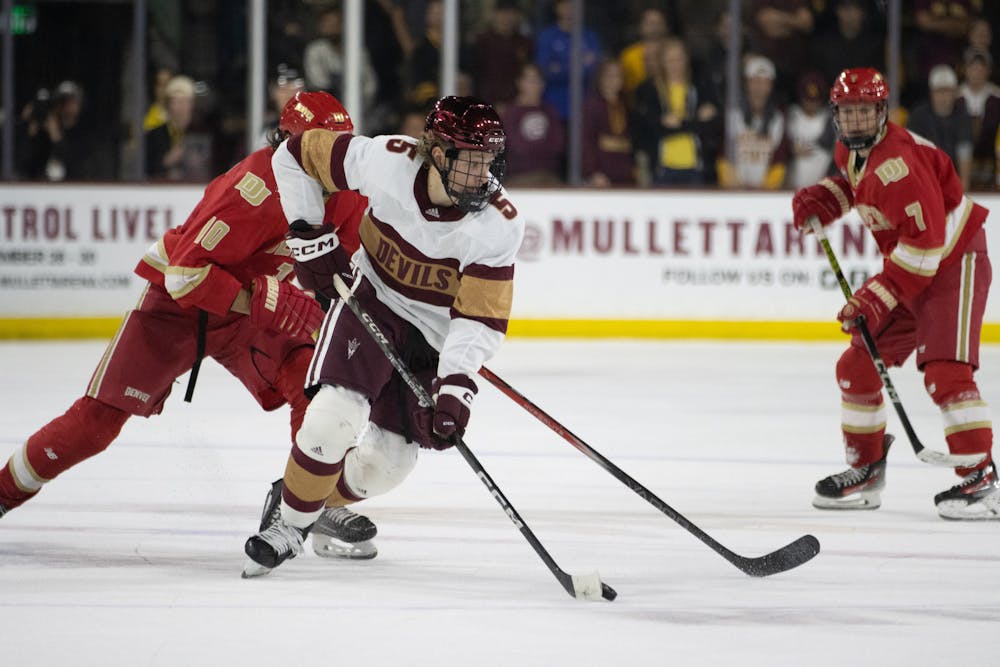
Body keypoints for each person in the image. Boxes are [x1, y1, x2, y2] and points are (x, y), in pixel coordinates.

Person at [0, 93, 370, 544]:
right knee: (95, 425)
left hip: (253, 308)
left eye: (339, 145)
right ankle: (2, 493)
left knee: (314, 383)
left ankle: (310, 500)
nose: (332, 157)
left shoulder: (347, 193)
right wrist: (268, 301)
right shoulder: (251, 189)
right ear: (290, 145)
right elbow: (184, 276)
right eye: (320, 145)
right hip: (178, 308)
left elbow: (352, 269)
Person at [242, 95, 525, 576]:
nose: (483, 176)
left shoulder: (498, 225)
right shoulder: (387, 161)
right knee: (334, 416)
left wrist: (456, 385)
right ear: (438, 153)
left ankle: (305, 499)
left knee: (389, 464)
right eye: (471, 161)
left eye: (489, 161)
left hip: (431, 339)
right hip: (370, 301)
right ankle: (287, 526)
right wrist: (308, 234)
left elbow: (478, 319)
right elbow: (292, 155)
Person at [791, 67, 999, 520]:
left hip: (953, 261)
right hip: (912, 267)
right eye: (848, 111)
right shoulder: (849, 149)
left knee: (945, 373)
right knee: (857, 366)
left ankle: (982, 479)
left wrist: (875, 296)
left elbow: (926, 247)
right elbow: (857, 185)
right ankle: (866, 470)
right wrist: (827, 199)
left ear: (882, 111)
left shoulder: (900, 166)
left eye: (865, 110)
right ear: (836, 115)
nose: (857, 120)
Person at [907, 64, 974, 192]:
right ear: (931, 92)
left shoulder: (962, 116)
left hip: (953, 177)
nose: (943, 96)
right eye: (939, 91)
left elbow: (964, 152)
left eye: (947, 91)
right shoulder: (918, 116)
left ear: (955, 92)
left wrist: (963, 189)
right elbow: (912, 155)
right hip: (924, 178)